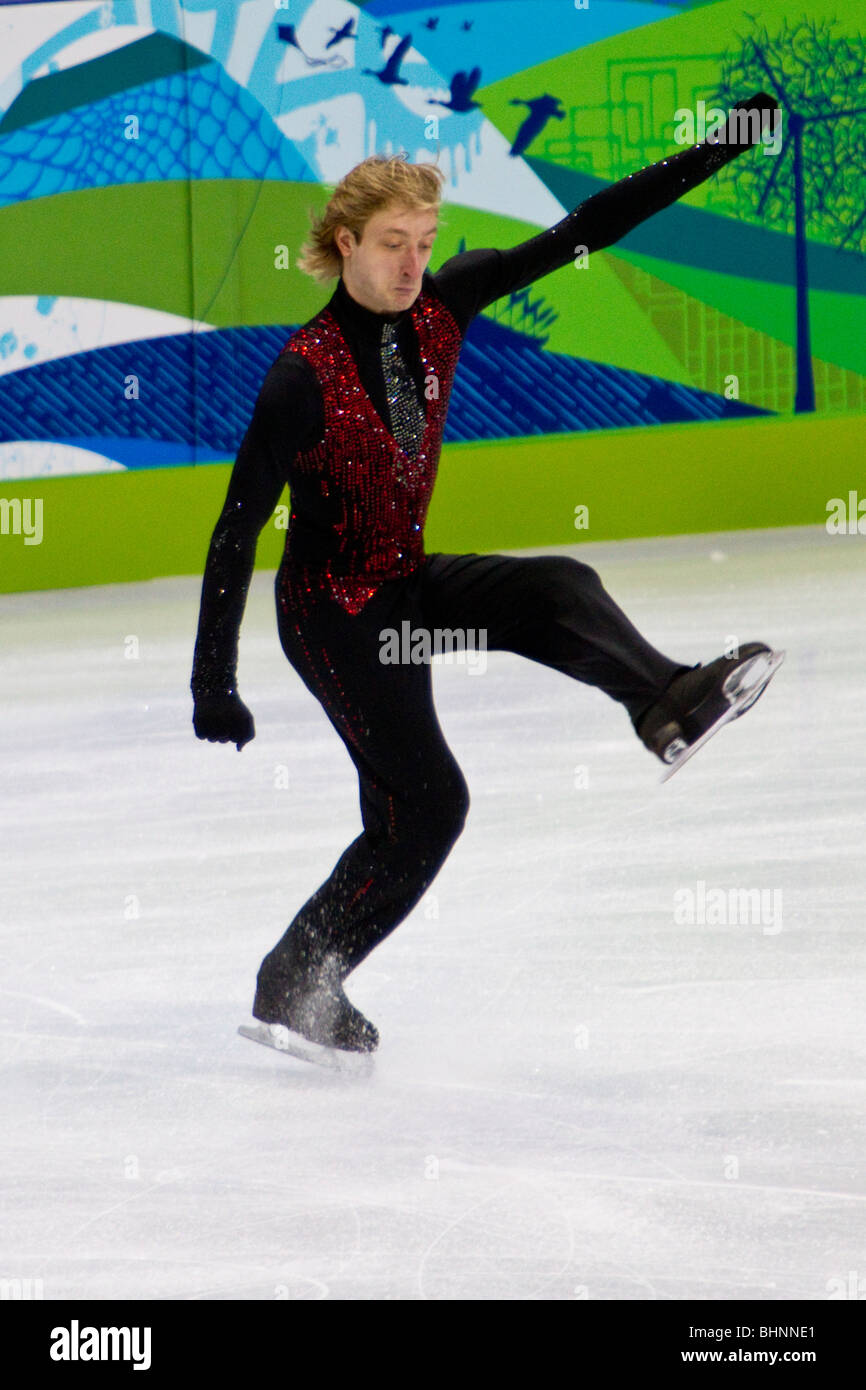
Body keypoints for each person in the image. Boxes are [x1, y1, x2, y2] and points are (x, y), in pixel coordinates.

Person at [191, 92, 781, 1060]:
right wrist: (212, 680)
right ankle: (295, 977)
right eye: (391, 242)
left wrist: (715, 147)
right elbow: (236, 528)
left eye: (423, 241)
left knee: (552, 587)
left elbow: (584, 228)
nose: (411, 262)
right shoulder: (300, 374)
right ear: (342, 244)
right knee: (425, 807)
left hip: (405, 586)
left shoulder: (444, 304)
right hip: (336, 617)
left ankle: (665, 702)